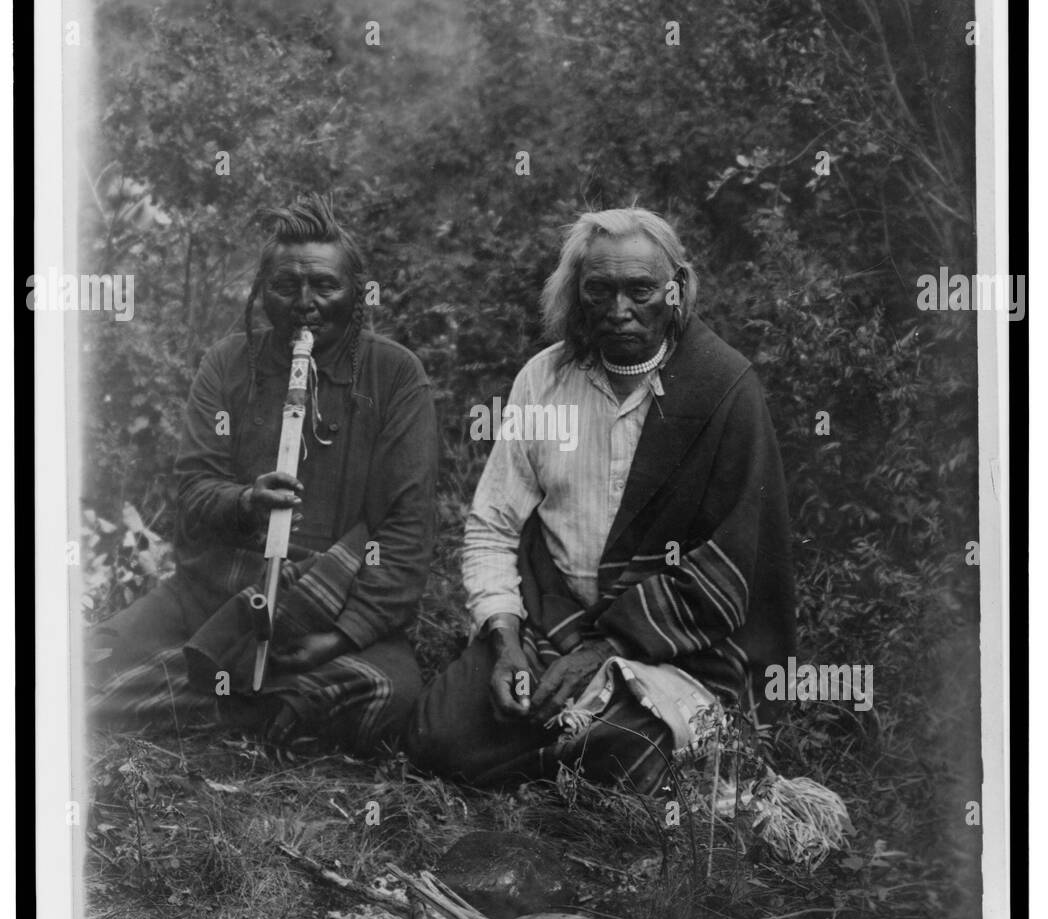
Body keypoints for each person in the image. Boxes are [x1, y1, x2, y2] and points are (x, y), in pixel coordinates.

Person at [406, 207, 795, 795]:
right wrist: (506, 643)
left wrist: (607, 650)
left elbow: (734, 560)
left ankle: (583, 748)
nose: (619, 311)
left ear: (677, 288)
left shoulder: (724, 389)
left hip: (674, 647)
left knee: (625, 741)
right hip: (551, 627)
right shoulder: (543, 382)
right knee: (437, 736)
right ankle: (567, 749)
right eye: (599, 291)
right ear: (575, 294)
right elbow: (493, 526)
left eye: (640, 290)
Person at [88, 194, 438, 757]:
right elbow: (195, 491)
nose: (306, 304)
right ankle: (260, 705)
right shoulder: (226, 364)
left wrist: (338, 637)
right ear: (260, 291)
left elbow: (406, 528)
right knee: (85, 666)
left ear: (356, 293)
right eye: (285, 286)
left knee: (389, 694)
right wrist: (246, 500)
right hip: (215, 592)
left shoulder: (396, 376)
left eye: (326, 286)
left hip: (329, 604)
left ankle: (206, 691)